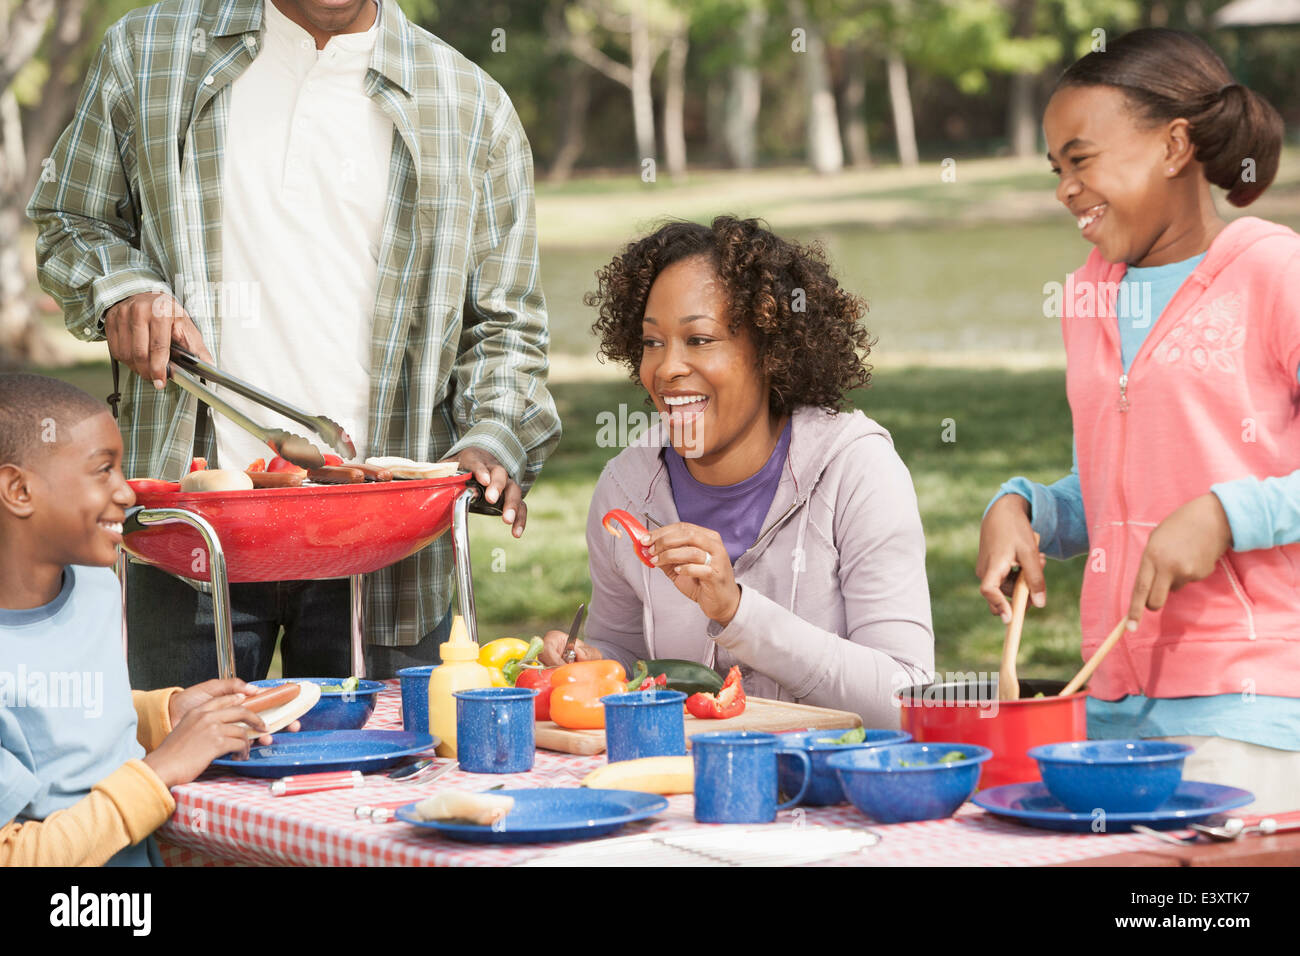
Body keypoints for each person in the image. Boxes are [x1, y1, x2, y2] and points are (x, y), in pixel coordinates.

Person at [27, 0, 560, 686]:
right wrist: (123, 288)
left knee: (388, 785)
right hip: (191, 530)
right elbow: (71, 217)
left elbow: (507, 326)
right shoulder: (148, 51)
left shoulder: (469, 104)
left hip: (383, 543)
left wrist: (492, 435)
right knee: (173, 781)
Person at [977, 28, 1300, 812]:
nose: (1065, 189)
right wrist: (1026, 507)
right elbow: (1125, 489)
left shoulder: (1273, 271)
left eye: (1082, 160)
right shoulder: (1090, 295)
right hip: (1113, 704)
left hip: (1247, 705)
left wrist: (1228, 514)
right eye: (1057, 169)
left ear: (1175, 145)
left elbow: (1206, 502)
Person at [537, 217, 934, 727]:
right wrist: (588, 664)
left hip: (830, 790)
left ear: (770, 350)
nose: (666, 368)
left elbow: (909, 700)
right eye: (652, 342)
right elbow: (625, 657)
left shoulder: (858, 471)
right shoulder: (626, 489)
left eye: (699, 340)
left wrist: (737, 612)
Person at [0, 374, 292, 866]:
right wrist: (160, 770)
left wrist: (165, 714)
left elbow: (57, 716)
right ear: (19, 490)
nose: (128, 493)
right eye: (102, 471)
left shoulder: (95, 586)